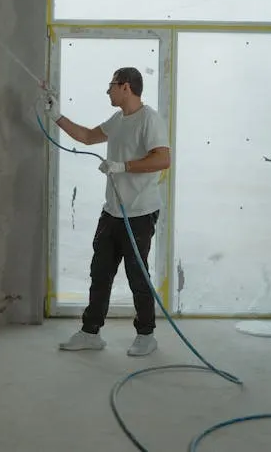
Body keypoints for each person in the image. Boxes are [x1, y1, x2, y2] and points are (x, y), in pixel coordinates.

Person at [44, 67, 171, 357]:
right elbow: (88, 137)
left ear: (126, 87)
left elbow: (163, 159)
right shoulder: (118, 120)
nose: (108, 90)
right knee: (100, 273)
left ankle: (146, 334)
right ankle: (91, 332)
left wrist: (123, 166)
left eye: (111, 85)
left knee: (137, 274)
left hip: (138, 212)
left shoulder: (149, 119)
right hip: (112, 211)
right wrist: (57, 117)